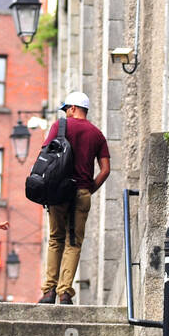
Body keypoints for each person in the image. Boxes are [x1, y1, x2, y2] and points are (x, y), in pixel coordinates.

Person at [38, 91, 110, 305]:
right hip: (82, 192)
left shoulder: (59, 127)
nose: (66, 113)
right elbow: (105, 170)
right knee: (74, 242)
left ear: (73, 108)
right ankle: (65, 292)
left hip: (58, 192)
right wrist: (88, 189)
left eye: (67, 109)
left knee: (55, 239)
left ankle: (48, 291)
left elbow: (45, 157)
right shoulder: (97, 134)